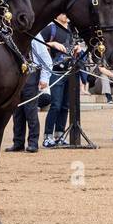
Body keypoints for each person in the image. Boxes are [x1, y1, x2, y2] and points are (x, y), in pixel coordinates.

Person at [41, 13, 80, 147]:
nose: (65, 15)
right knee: (56, 105)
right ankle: (47, 136)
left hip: (69, 71)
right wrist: (52, 44)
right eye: (62, 13)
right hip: (55, 71)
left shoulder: (72, 29)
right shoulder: (50, 29)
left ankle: (59, 135)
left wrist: (77, 50)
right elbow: (37, 46)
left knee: (65, 106)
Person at [9, 32, 51, 152]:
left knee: (30, 110)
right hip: (16, 75)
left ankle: (33, 142)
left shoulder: (35, 34)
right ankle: (18, 142)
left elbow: (45, 58)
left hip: (31, 74)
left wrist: (44, 78)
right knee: (17, 111)